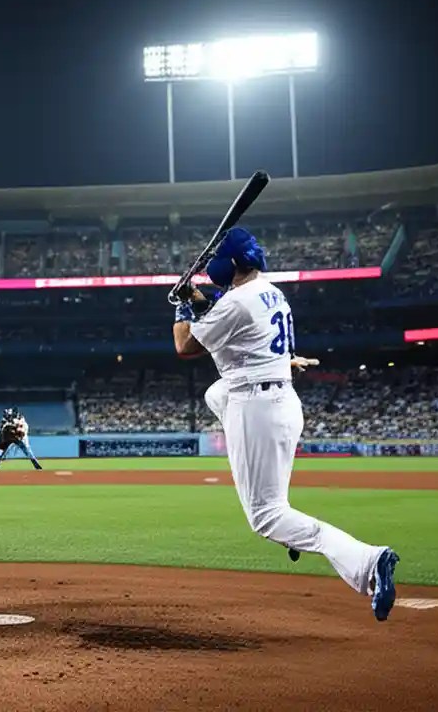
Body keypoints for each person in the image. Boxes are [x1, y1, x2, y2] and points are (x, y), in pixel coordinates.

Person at [172, 228, 399, 621]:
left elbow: (185, 345)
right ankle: (293, 530)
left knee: (268, 516)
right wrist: (195, 298)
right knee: (215, 393)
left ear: (233, 263)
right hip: (280, 400)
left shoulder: (235, 302)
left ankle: (369, 558)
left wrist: (178, 306)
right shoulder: (271, 291)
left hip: (256, 407)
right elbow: (230, 322)